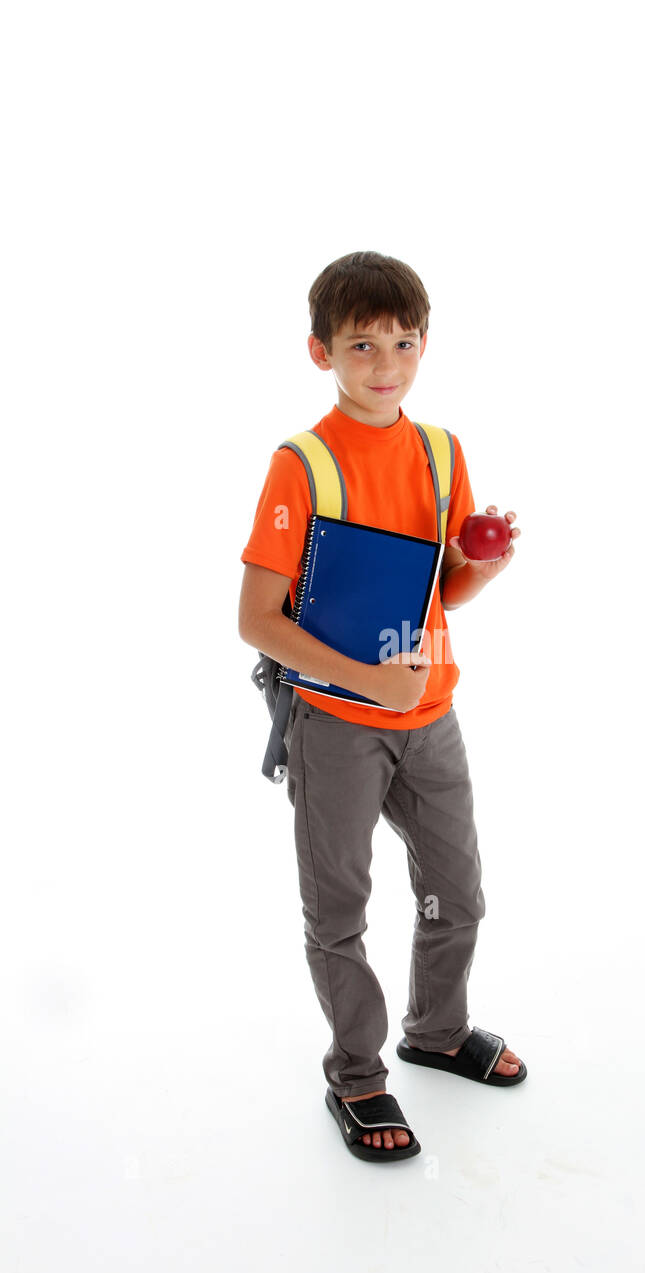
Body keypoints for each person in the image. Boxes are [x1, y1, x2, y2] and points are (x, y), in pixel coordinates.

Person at [238, 251, 526, 1163]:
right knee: (340, 912)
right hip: (337, 728)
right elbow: (256, 620)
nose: (386, 364)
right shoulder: (302, 465)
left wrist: (482, 567)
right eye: (362, 345)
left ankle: (436, 1031)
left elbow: (442, 591)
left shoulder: (442, 452)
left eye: (404, 343)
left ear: (425, 344)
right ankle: (357, 1076)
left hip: (430, 716)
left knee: (458, 894)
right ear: (321, 352)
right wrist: (369, 684)